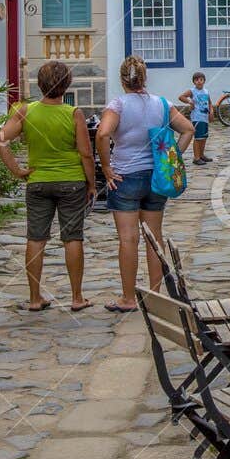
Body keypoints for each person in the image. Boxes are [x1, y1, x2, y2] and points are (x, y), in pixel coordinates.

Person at [0, 60, 96, 312]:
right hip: (71, 182)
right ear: (67, 85)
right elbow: (86, 153)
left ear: (39, 85)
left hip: (38, 182)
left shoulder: (26, 111)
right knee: (72, 238)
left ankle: (34, 297)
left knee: (36, 238)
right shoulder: (74, 114)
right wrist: (92, 184)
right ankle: (76, 297)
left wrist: (17, 170)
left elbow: (0, 140)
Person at [97, 55, 193, 313]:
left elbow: (103, 133)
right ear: (144, 78)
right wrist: (172, 159)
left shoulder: (117, 105)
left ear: (122, 80)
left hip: (125, 177)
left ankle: (129, 298)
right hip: (156, 177)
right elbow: (188, 129)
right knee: (154, 237)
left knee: (128, 239)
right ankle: (155, 294)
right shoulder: (162, 104)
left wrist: (106, 168)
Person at [179, 71, 212, 165]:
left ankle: (201, 155)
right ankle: (196, 157)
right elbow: (181, 97)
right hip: (197, 118)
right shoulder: (192, 91)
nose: (199, 81)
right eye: (196, 80)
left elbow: (209, 103)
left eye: (201, 79)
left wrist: (211, 112)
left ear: (204, 81)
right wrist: (190, 102)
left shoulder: (206, 91)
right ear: (193, 81)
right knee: (198, 138)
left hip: (205, 117)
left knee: (204, 137)